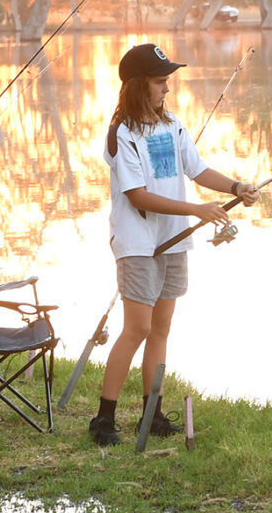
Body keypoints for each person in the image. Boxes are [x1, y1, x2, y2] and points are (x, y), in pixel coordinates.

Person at [90, 43, 259, 446]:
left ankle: (153, 413)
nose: (166, 88)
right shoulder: (122, 135)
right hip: (137, 243)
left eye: (167, 81)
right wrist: (197, 210)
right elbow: (137, 195)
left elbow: (197, 169)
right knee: (137, 329)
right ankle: (103, 419)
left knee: (161, 330)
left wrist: (236, 186)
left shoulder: (173, 125)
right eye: (159, 82)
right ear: (137, 86)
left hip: (174, 240)